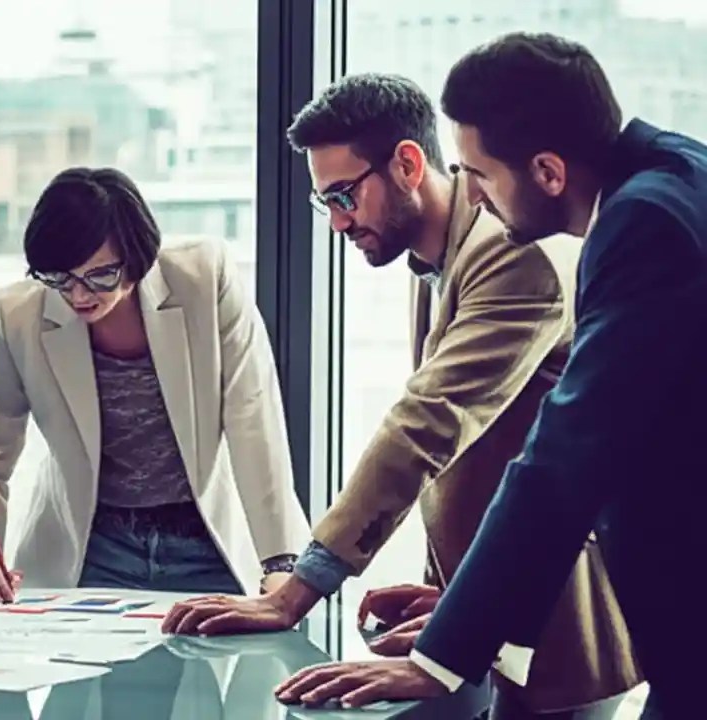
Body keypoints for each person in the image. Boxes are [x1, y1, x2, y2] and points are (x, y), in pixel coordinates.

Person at [163, 74, 639, 718]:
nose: (336, 223)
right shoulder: (439, 256)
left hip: (553, 621)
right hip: (484, 611)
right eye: (321, 203)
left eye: (342, 196)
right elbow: (484, 447)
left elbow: (427, 425)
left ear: (408, 164)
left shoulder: (513, 255)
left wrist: (295, 592)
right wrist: (451, 593)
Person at [272, 33, 705, 719]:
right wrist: (454, 608)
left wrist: (440, 651)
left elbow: (558, 460)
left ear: (548, 172)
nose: (469, 190)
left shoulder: (637, 225)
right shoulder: (676, 171)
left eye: (479, 173)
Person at [0, 166, 309, 603]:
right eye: (60, 279)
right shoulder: (21, 315)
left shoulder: (203, 280)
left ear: (137, 254)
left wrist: (280, 561)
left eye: (99, 276)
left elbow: (253, 418)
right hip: (91, 549)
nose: (79, 295)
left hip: (205, 545)